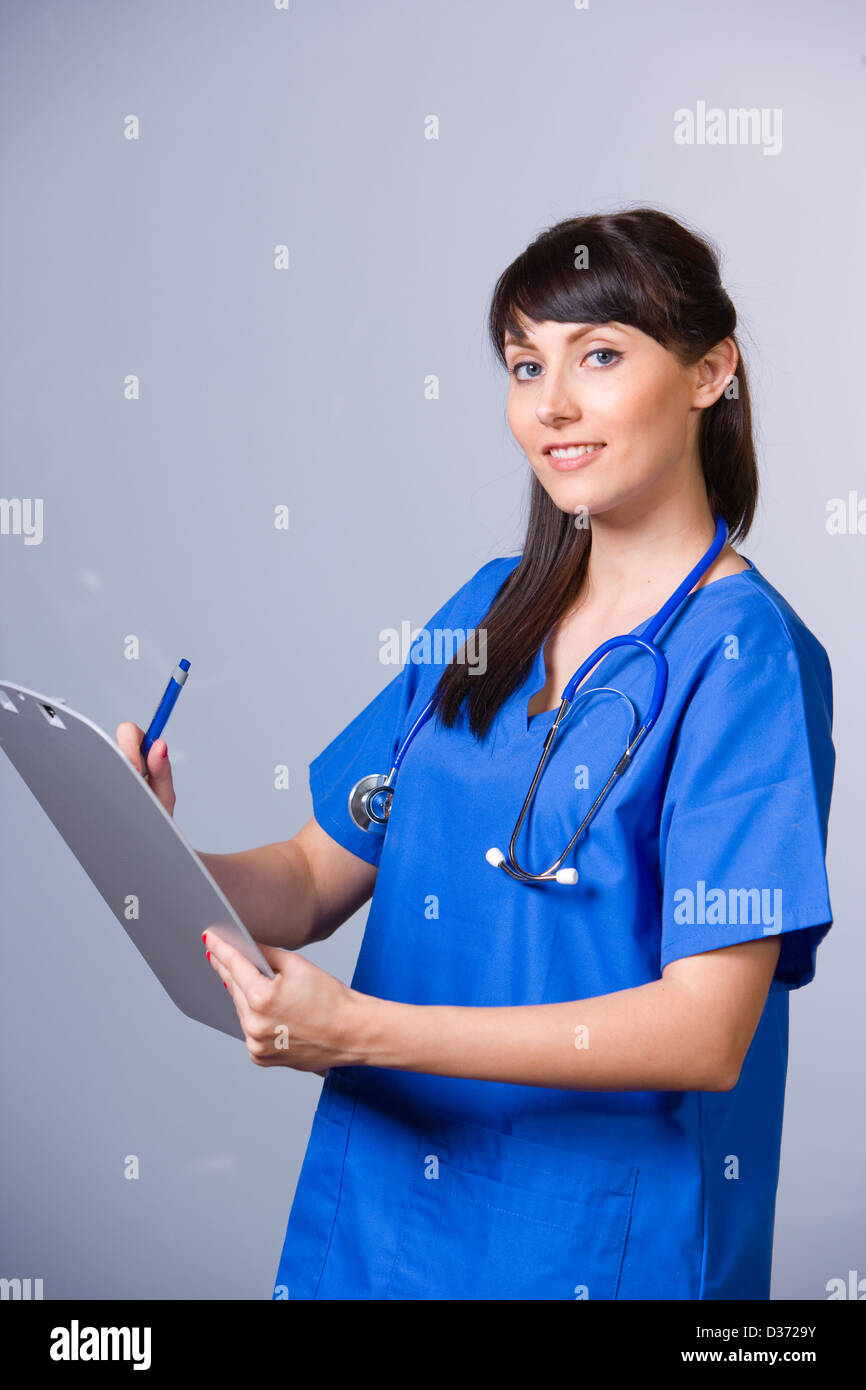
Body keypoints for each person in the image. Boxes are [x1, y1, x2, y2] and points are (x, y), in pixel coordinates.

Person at [118, 206, 835, 1300]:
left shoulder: (746, 659)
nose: (550, 405)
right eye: (522, 364)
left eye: (598, 355)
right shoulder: (487, 612)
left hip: (593, 1245)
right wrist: (148, 852)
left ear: (707, 373)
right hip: (380, 1217)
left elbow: (704, 1031)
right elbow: (314, 879)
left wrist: (361, 1031)